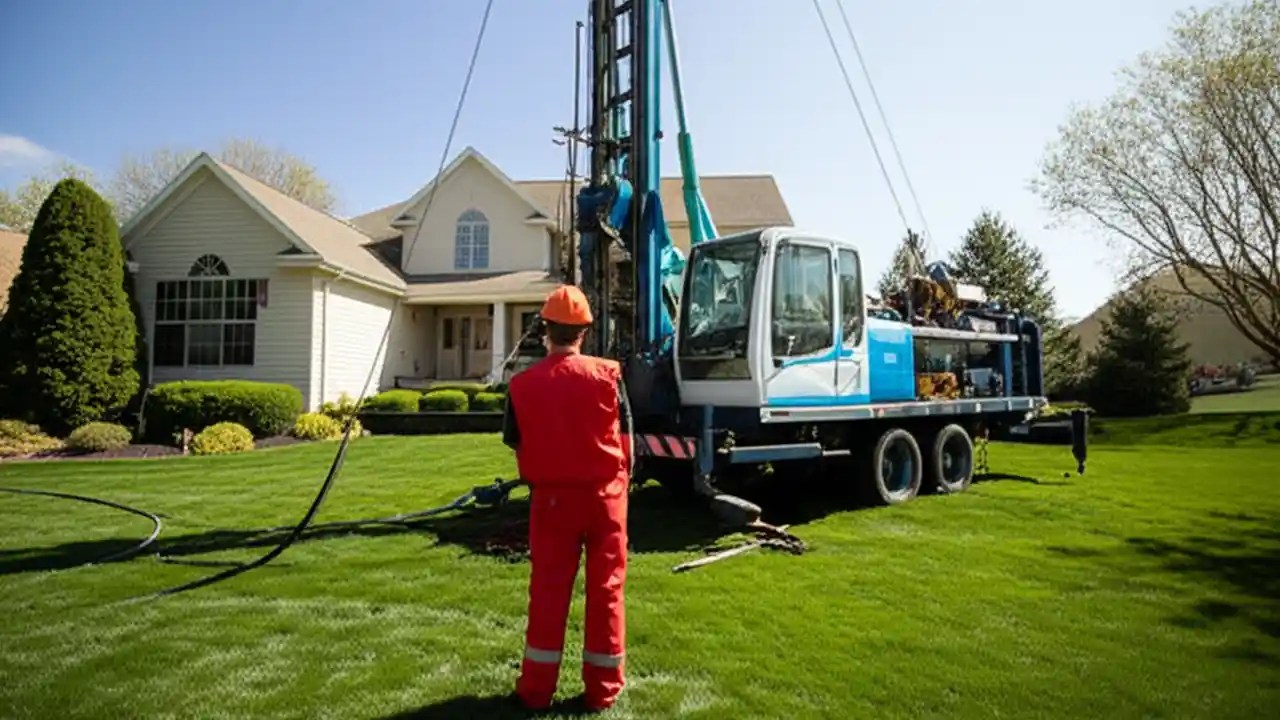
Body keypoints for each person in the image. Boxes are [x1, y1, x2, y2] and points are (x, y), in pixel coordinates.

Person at [501, 284, 632, 712]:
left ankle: (536, 691)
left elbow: (513, 439)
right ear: (585, 332)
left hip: (552, 503)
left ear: (545, 330)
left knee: (548, 593)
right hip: (606, 500)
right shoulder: (610, 375)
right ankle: (602, 691)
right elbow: (627, 436)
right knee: (607, 591)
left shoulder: (522, 385)